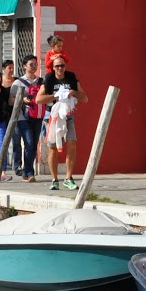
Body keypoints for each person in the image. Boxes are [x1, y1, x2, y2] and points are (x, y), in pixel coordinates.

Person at [36, 53, 88, 190]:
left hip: (68, 114)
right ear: (53, 68)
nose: (60, 68)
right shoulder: (49, 79)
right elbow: (38, 99)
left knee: (72, 143)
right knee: (53, 147)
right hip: (52, 115)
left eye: (62, 66)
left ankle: (68, 177)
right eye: (57, 66)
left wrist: (73, 93)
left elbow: (84, 98)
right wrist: (55, 96)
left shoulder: (71, 77)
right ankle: (54, 179)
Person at [13, 56, 44, 181]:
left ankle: (26, 172)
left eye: (36, 64)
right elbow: (11, 100)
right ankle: (29, 172)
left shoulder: (41, 82)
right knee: (29, 142)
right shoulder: (18, 83)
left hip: (37, 115)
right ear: (24, 66)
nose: (34, 66)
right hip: (23, 117)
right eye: (31, 64)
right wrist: (22, 99)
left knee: (33, 144)